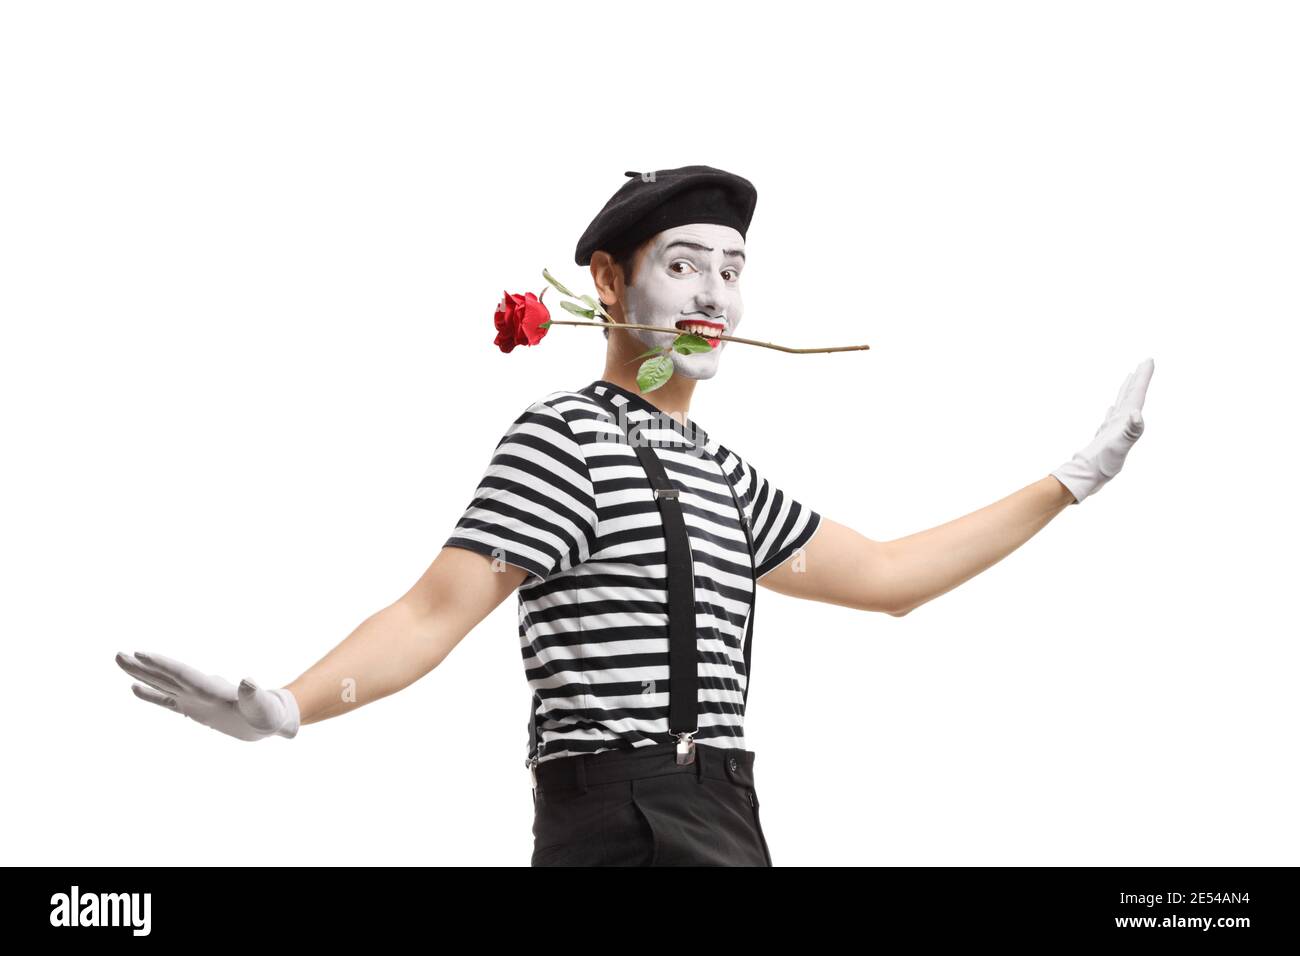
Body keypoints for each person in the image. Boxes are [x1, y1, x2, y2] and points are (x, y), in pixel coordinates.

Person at [114, 165, 1154, 867]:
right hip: (625, 813)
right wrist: (291, 704)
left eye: (732, 268)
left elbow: (886, 577)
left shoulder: (721, 472)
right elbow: (434, 609)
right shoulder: (564, 437)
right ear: (610, 281)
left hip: (725, 809)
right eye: (684, 262)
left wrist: (1069, 479)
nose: (713, 292)